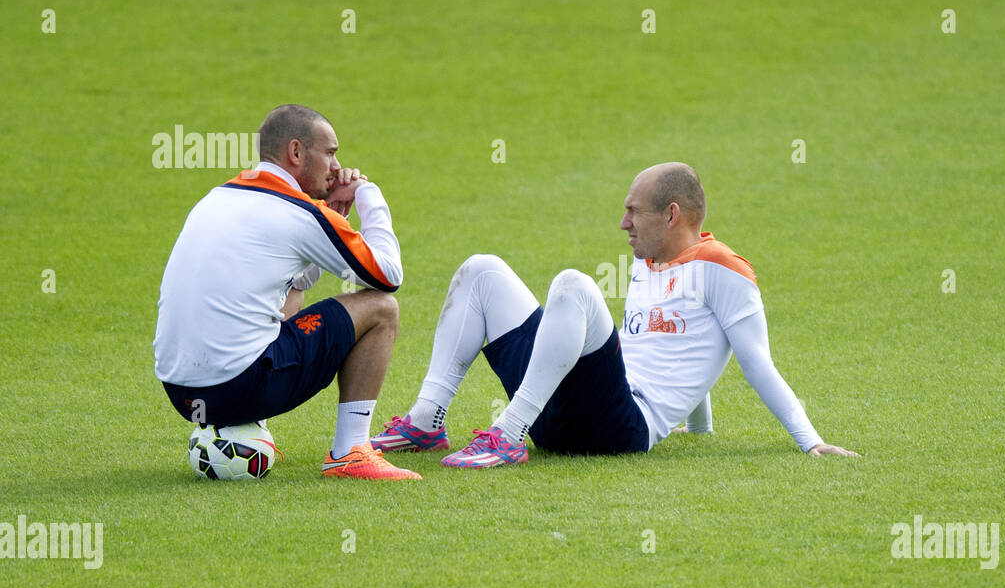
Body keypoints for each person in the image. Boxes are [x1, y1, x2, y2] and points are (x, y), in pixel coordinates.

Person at [371, 162, 858, 467]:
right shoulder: (648, 265)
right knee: (482, 271)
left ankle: (507, 435)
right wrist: (700, 426)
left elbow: (755, 361)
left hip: (622, 427)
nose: (623, 223)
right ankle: (427, 421)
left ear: (671, 214)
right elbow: (669, 344)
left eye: (633, 211)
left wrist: (809, 441)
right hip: (567, 414)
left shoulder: (724, 270)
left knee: (575, 284)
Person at [153, 104, 420, 480]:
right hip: (237, 388)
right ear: (296, 152)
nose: (336, 166)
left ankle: (236, 422)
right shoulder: (298, 212)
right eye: (330, 152)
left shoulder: (217, 197)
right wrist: (368, 194)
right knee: (381, 308)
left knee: (289, 292)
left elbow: (295, 280)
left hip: (182, 394)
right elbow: (387, 276)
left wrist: (333, 218)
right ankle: (352, 451)